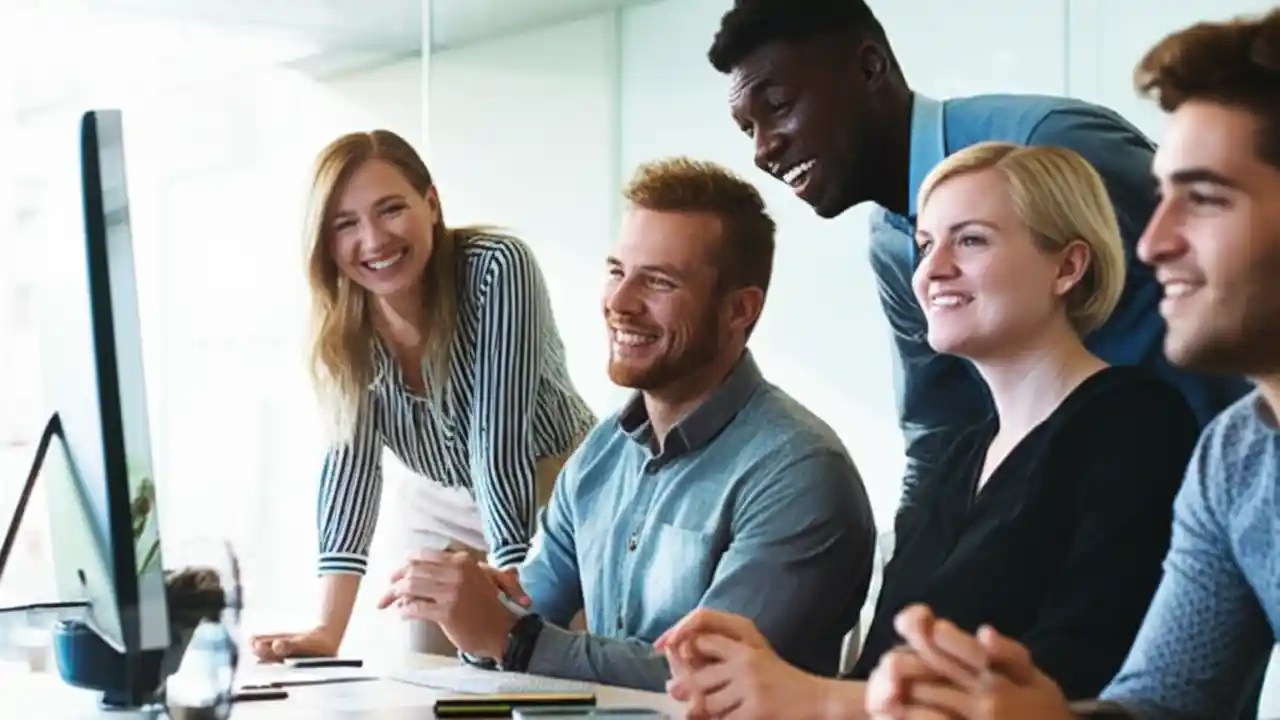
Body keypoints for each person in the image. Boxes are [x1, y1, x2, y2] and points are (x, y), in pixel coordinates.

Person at [657, 142, 1200, 717]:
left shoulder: (1137, 425)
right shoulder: (959, 457)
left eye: (970, 240)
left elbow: (1073, 682)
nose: (932, 269)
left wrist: (813, 697)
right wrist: (765, 674)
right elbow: (878, 678)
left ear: (1067, 266)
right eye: (924, 244)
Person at [864, 9, 1280, 720]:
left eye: (1204, 199)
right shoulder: (1235, 454)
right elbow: (1161, 704)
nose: (1152, 243)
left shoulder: (1138, 424)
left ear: (1068, 267)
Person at [706, 0, 1250, 505]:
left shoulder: (1054, 146)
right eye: (748, 128)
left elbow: (1237, 296)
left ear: (869, 68)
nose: (763, 149)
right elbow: (941, 433)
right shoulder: (894, 245)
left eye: (777, 107)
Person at [376, 157, 877, 691]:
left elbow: (711, 678)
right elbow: (526, 614)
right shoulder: (600, 456)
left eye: (658, 282)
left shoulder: (799, 474)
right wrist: (474, 607)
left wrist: (510, 636)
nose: (619, 302)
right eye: (617, 271)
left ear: (739, 311)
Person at [250, 130, 596, 661]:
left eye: (391, 210)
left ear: (431, 204)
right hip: (437, 501)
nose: (374, 240)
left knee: (546, 670)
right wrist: (326, 631)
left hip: (553, 488)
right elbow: (351, 468)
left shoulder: (497, 268)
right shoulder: (345, 324)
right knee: (433, 679)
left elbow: (496, 435)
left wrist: (510, 580)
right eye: (345, 224)